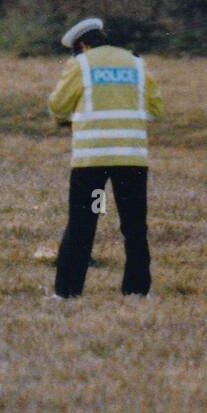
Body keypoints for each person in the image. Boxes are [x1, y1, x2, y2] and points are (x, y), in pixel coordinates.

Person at [49, 18, 164, 298]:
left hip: (92, 158)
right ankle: (137, 291)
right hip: (132, 157)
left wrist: (69, 119)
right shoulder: (136, 62)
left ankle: (67, 292)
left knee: (81, 225)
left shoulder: (82, 64)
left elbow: (58, 106)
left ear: (82, 45)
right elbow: (155, 108)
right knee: (135, 227)